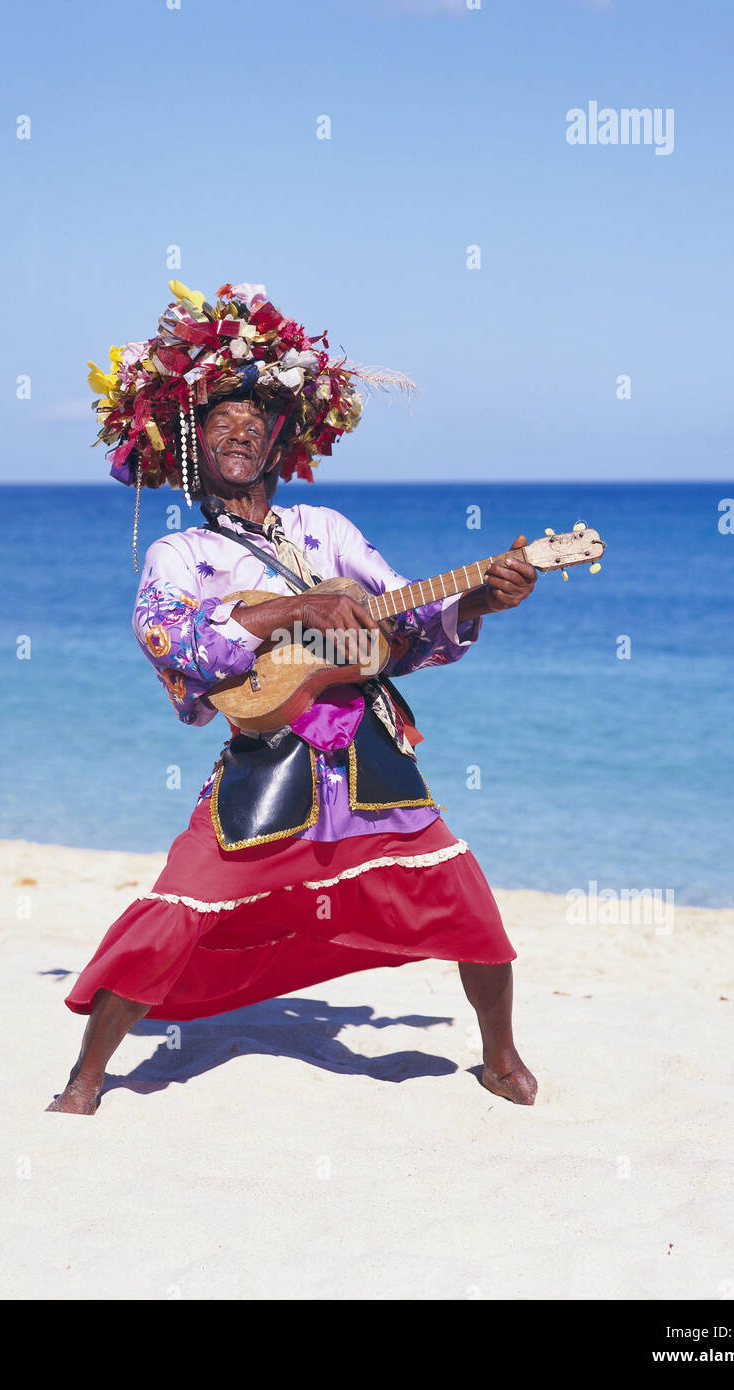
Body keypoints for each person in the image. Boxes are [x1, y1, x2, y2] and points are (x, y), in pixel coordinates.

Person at [48, 282, 537, 1114]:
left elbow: (408, 622)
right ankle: (87, 1077)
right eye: (221, 421)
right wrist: (290, 608)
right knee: (183, 901)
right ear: (193, 445)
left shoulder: (327, 530)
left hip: (368, 752)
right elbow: (169, 637)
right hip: (267, 759)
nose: (240, 431)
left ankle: (499, 1058)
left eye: (256, 423)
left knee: (460, 892)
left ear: (280, 443)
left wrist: (482, 598)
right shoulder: (182, 550)